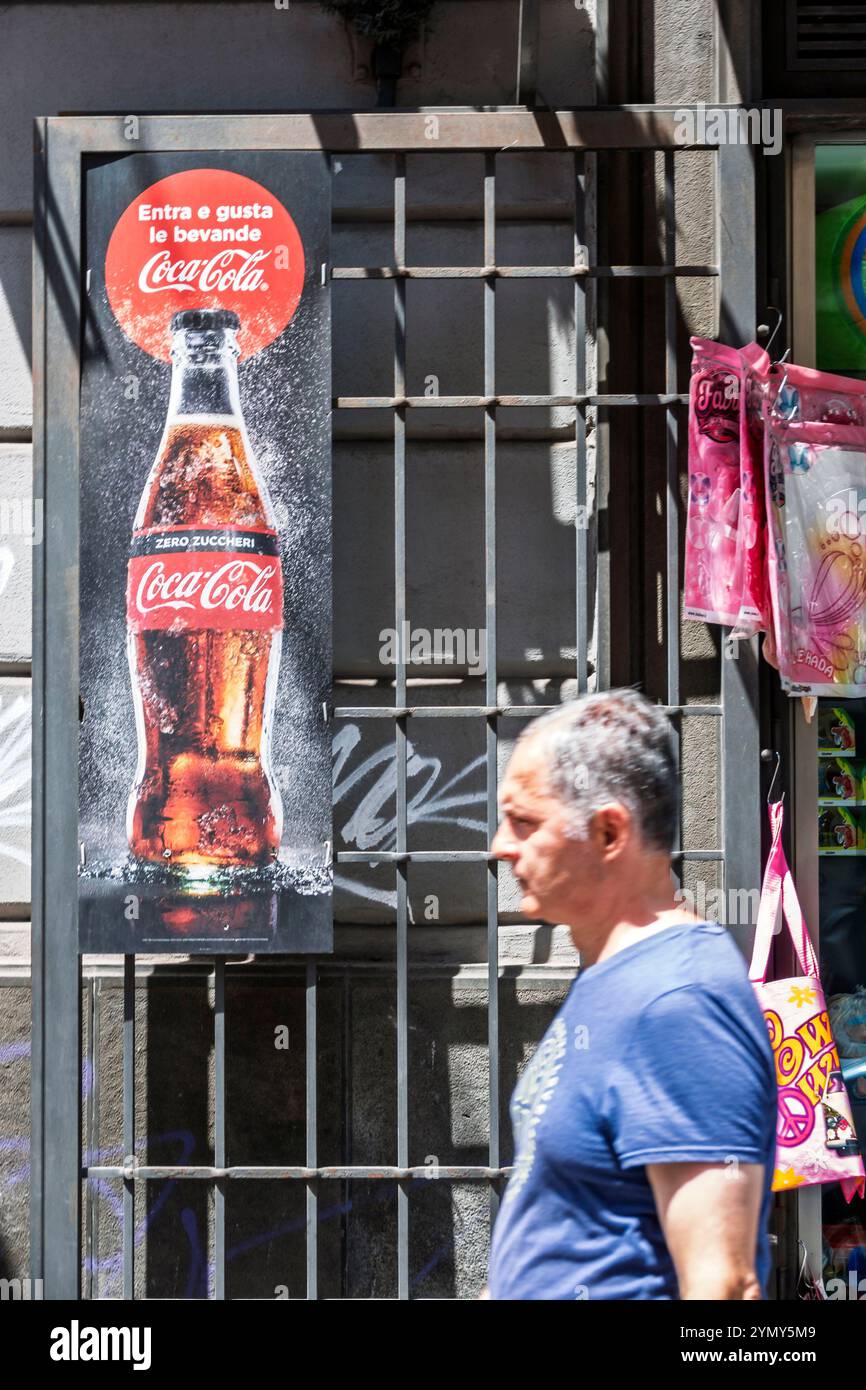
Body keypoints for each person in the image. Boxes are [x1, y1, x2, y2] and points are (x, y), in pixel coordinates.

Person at [486, 688, 778, 1301]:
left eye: (523, 822)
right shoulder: (618, 976)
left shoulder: (681, 1002)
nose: (499, 845)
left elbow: (725, 1286)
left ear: (610, 832)